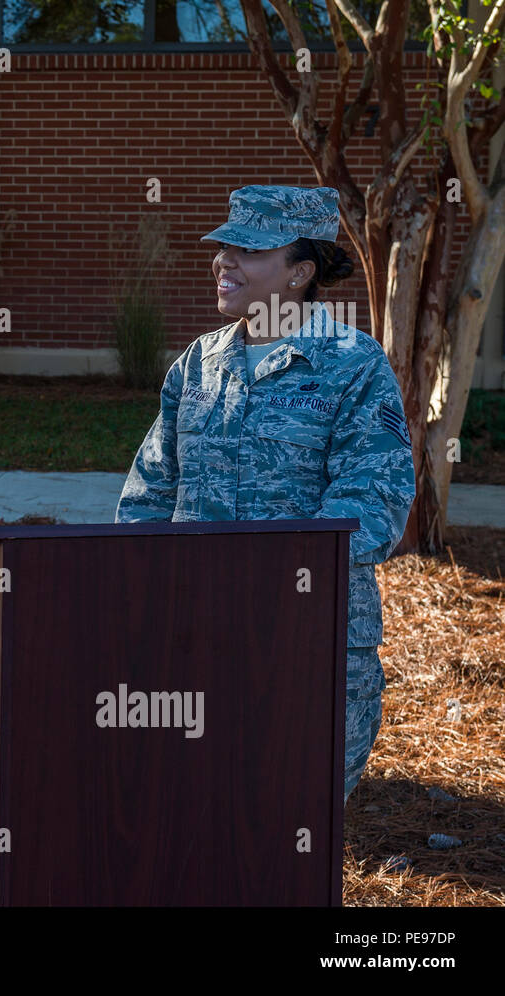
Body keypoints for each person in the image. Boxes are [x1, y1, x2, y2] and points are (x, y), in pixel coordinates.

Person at [115, 184, 416, 805]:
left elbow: (374, 501)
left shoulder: (351, 365)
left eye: (248, 250)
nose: (224, 260)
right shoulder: (198, 365)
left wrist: (269, 580)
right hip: (192, 638)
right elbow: (149, 493)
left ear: (300, 272)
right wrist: (138, 594)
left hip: (305, 641)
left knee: (289, 819)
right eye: (224, 246)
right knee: (190, 813)